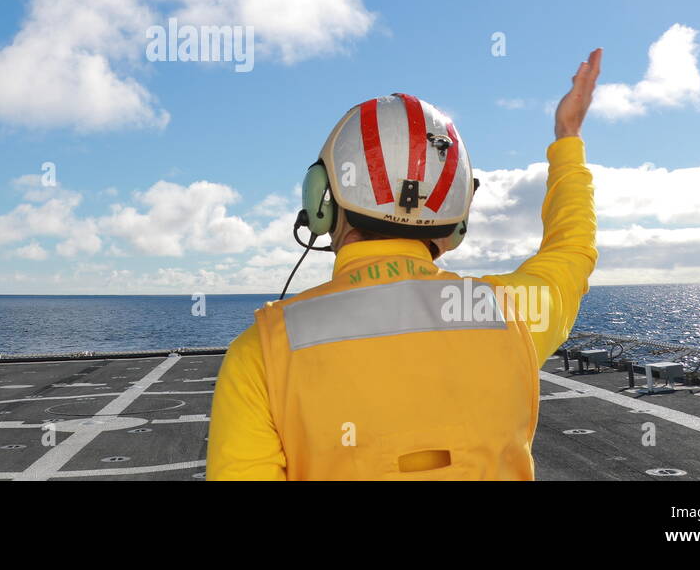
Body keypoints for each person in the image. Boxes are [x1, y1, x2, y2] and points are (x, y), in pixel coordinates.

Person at [206, 48, 602, 480]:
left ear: (321, 200)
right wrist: (568, 136)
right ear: (456, 221)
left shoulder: (261, 353)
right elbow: (572, 251)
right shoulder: (512, 312)